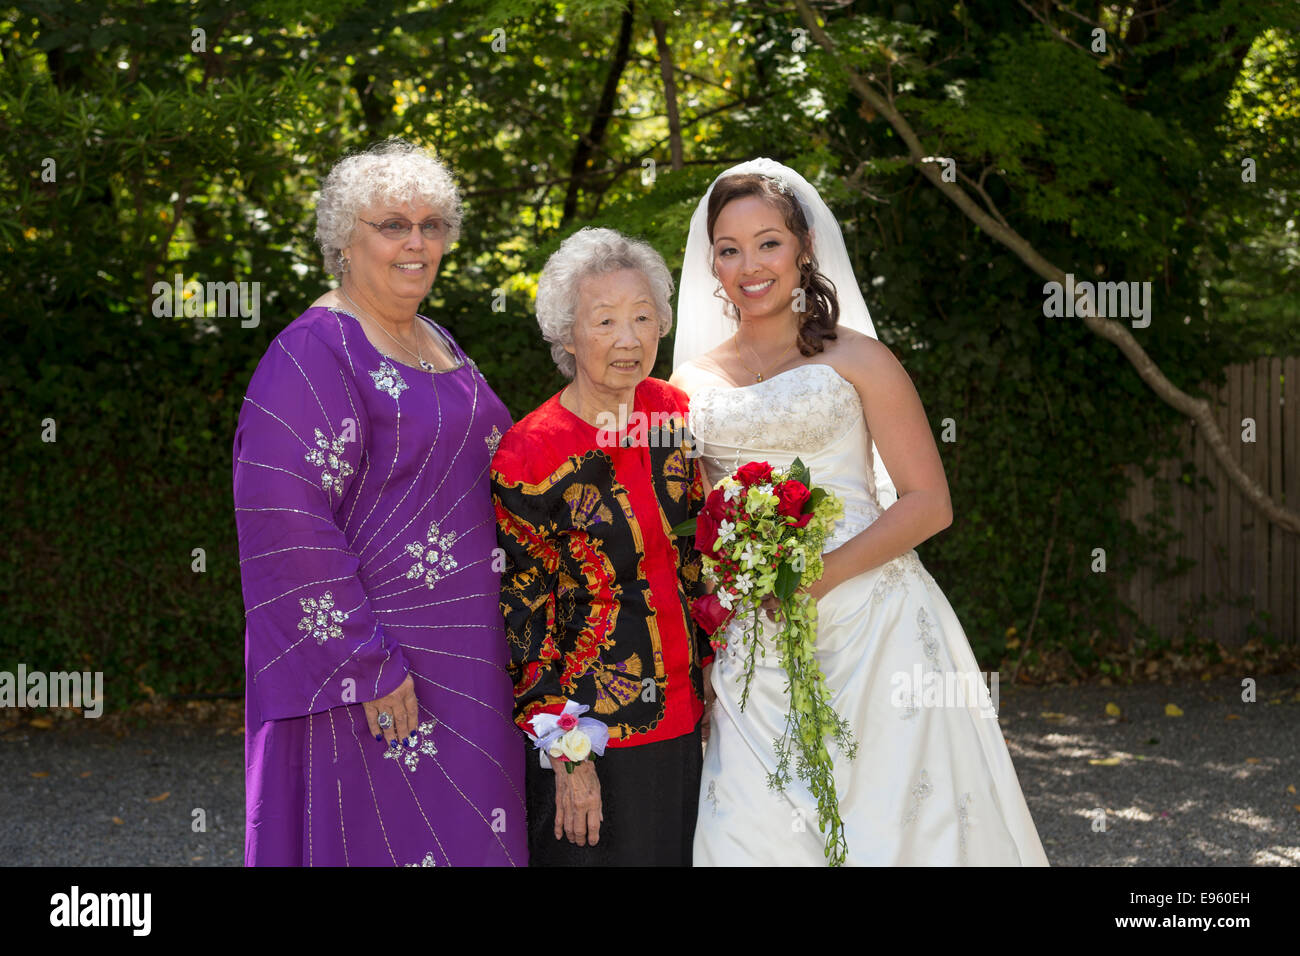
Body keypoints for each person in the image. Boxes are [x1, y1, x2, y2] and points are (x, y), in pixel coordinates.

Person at [671, 158, 1049, 866]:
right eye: (729, 249)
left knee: (896, 825)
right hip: (755, 642)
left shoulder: (862, 359)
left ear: (805, 247)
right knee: (745, 832)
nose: (749, 265)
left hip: (877, 630)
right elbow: (686, 523)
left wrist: (819, 576)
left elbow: (930, 503)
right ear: (711, 262)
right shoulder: (687, 384)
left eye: (768, 242)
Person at [233, 138, 525, 866]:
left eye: (431, 225)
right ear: (343, 239)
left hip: (471, 662)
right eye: (393, 224)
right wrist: (364, 661)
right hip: (378, 673)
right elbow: (286, 519)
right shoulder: (313, 351)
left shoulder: (439, 339)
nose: (417, 242)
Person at [491, 227, 713, 865]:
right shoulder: (530, 452)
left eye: (643, 317)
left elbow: (697, 561)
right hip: (593, 736)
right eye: (605, 320)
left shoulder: (674, 414)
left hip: (686, 716)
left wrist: (720, 671)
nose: (628, 337)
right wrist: (567, 756)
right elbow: (521, 617)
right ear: (566, 335)